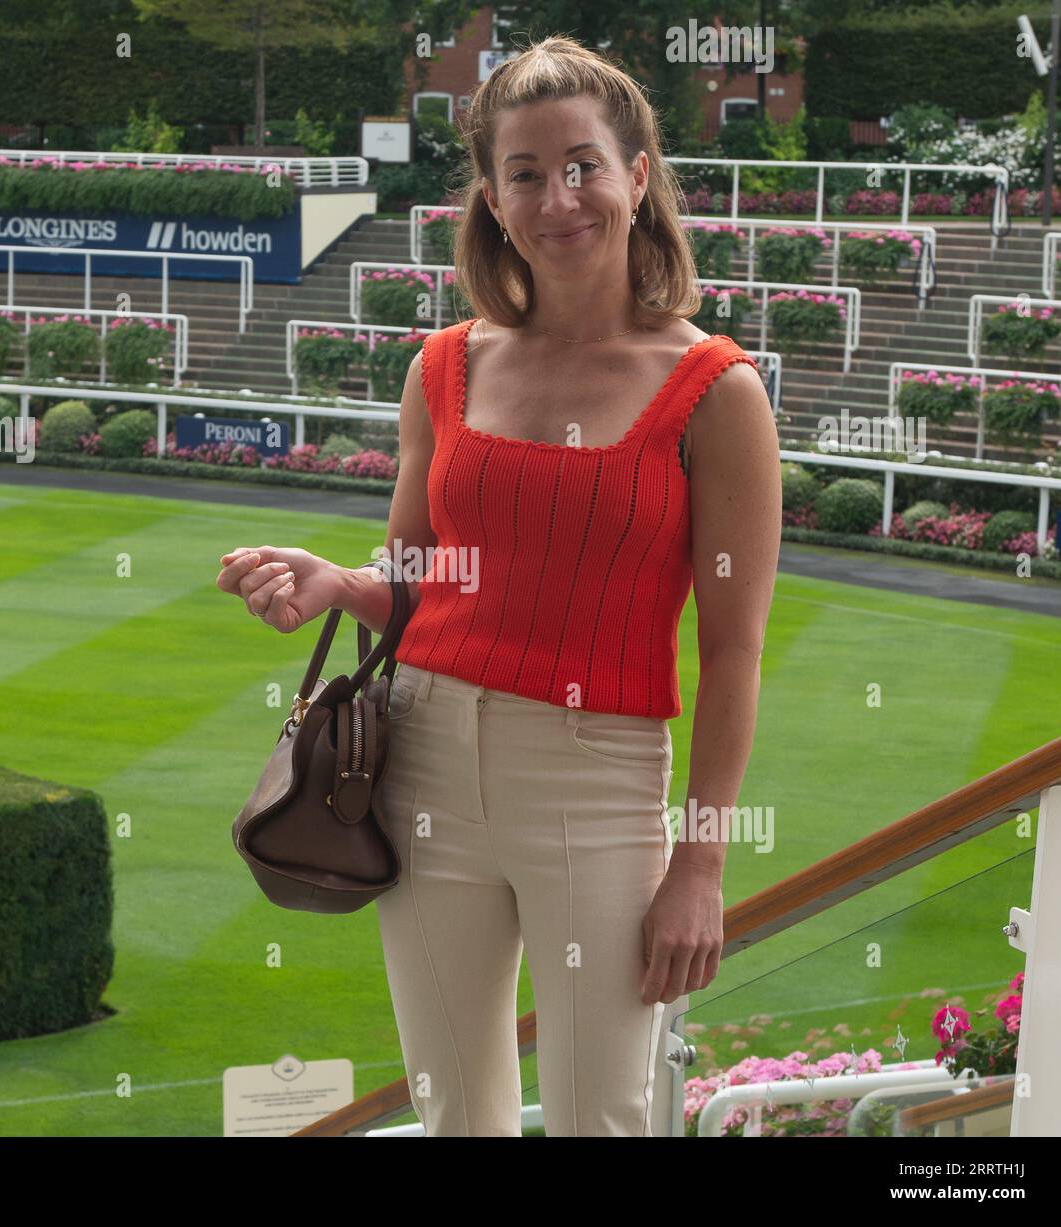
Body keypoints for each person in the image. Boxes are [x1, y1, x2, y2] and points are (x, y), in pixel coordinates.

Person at [216, 34, 781, 1137]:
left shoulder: (716, 391)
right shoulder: (444, 368)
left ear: (636, 176)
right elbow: (428, 581)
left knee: (597, 1120)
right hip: (419, 759)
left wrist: (700, 862)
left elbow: (732, 651)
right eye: (524, 172)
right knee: (455, 1118)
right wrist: (339, 584)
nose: (558, 196)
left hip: (600, 782)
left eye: (582, 164)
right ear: (490, 196)